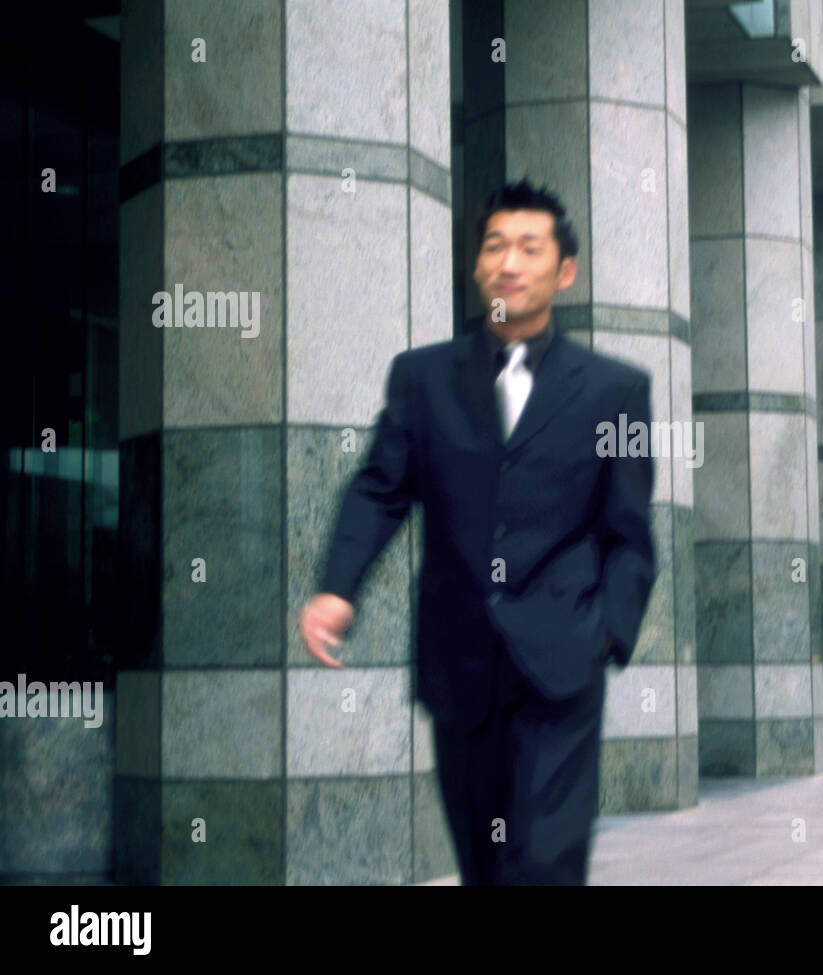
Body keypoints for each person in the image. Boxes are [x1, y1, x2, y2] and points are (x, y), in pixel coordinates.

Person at [298, 179, 655, 885]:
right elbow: (381, 486)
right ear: (476, 265)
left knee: (544, 862)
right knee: (484, 867)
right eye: (495, 246)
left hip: (562, 661)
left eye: (530, 247)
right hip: (459, 662)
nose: (509, 263)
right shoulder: (423, 378)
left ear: (565, 271)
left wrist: (608, 632)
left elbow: (629, 530)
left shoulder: (615, 389)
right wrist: (338, 588)